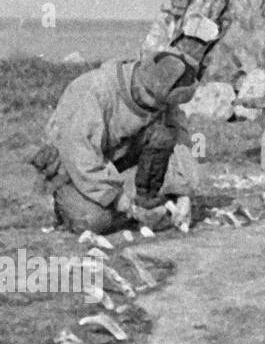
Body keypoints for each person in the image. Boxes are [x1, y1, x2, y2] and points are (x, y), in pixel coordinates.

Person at [29, 17, 216, 234]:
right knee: (94, 221)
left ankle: (148, 202)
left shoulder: (162, 91)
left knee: (164, 134)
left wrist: (184, 194)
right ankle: (63, 204)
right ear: (139, 82)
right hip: (67, 165)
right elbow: (79, 155)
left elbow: (181, 139)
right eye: (152, 102)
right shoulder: (95, 90)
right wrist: (126, 204)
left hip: (109, 157)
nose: (156, 108)